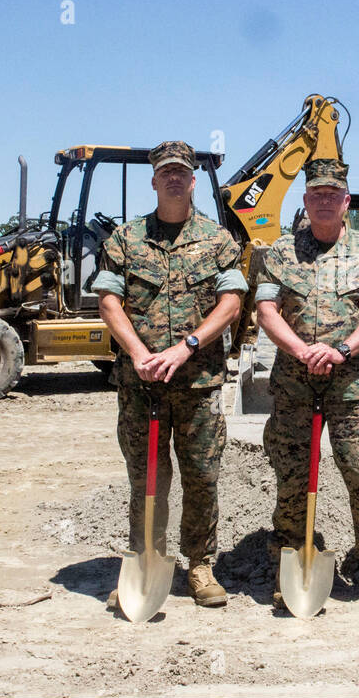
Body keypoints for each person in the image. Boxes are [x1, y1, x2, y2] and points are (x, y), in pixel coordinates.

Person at [91, 141, 247, 608]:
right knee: (147, 478)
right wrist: (138, 354)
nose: (175, 178)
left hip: (198, 383)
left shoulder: (219, 241)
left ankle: (199, 565)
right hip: (140, 386)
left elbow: (232, 304)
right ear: (154, 180)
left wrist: (186, 347)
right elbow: (108, 302)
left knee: (202, 475)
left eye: (182, 172)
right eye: (166, 172)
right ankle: (146, 559)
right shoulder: (124, 240)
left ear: (193, 180)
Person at [255, 158, 359, 608]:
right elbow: (266, 311)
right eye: (316, 194)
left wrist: (341, 351)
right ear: (304, 200)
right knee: (293, 477)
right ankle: (292, 558)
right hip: (295, 385)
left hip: (354, 385)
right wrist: (302, 351)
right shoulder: (280, 252)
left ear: (346, 202)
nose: (324, 201)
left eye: (332, 195)